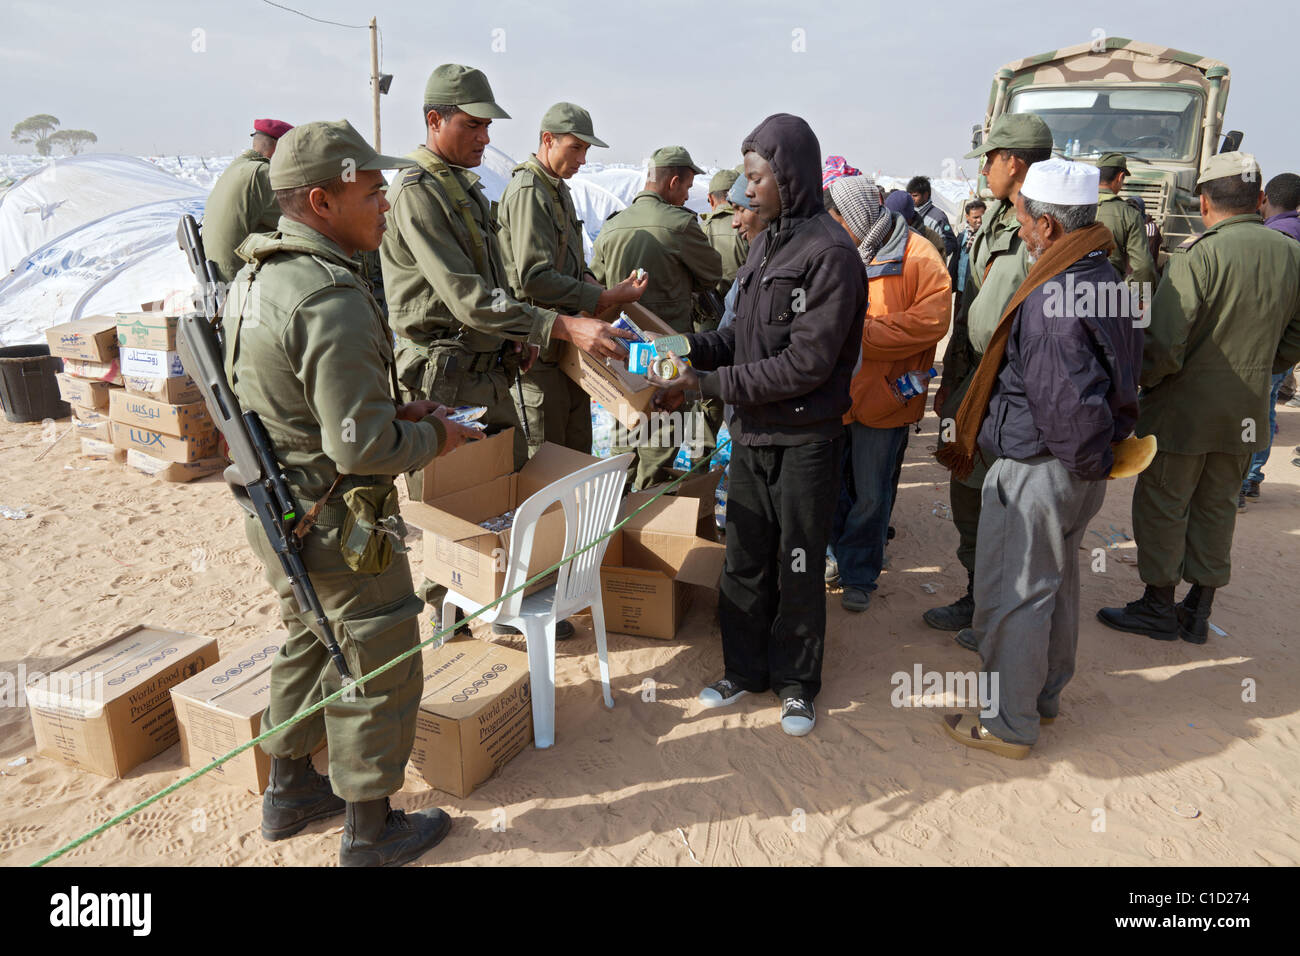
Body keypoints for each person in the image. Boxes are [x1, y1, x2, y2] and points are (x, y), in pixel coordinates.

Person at [224, 119, 484, 866]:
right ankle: (372, 829)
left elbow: (302, 400)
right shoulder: (328, 297)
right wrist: (437, 437)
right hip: (339, 519)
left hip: (284, 511)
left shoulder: (260, 276)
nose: (386, 206)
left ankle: (290, 790)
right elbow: (360, 447)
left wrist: (398, 410)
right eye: (372, 192)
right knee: (379, 652)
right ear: (321, 200)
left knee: (311, 639)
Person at [380, 64, 632, 636]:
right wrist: (559, 327)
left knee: (498, 496)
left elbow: (497, 285)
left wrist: (516, 335)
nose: (485, 138)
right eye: (473, 125)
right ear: (433, 120)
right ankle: (450, 616)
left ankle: (498, 602)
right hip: (443, 378)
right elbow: (468, 299)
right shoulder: (419, 193)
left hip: (486, 366)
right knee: (450, 504)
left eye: (488, 126)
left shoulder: (463, 189)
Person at [650, 113, 867, 738]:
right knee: (744, 559)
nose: (746, 193)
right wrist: (689, 348)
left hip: (804, 441)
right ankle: (743, 670)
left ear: (790, 176)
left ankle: (797, 684)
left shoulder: (830, 254)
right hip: (751, 437)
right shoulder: (767, 243)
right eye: (744, 178)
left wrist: (709, 386)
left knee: (796, 562)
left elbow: (806, 364)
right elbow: (740, 336)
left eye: (756, 177)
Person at [939, 158, 1141, 759]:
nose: (1020, 228)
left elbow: (1065, 403)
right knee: (1055, 583)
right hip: (1080, 464)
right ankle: (1043, 698)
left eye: (1025, 219)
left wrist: (1077, 463)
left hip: (1041, 466)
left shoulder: (1051, 296)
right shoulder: (1105, 274)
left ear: (1049, 226)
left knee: (1015, 594)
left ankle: (1007, 725)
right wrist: (1093, 464)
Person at [1098, 153, 1300, 644]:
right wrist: (1259, 370)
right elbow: (1294, 340)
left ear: (1204, 202)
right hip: (1247, 411)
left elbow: (1165, 344)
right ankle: (1198, 610)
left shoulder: (1198, 254)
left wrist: (1141, 383)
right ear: (1257, 200)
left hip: (1184, 410)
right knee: (1218, 505)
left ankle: (1157, 606)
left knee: (1165, 503)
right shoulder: (1291, 253)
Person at [927, 113, 1052, 631]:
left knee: (1003, 502)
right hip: (974, 382)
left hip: (1006, 388)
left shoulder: (1039, 224)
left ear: (1014, 162)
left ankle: (997, 613)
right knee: (970, 489)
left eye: (988, 158)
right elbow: (972, 309)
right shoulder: (1001, 216)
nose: (982, 168)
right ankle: (979, 595)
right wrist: (952, 383)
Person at [825, 175, 951, 612]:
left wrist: (860, 335)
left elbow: (932, 322)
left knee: (872, 493)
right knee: (833, 487)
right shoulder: (842, 254)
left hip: (886, 397)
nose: (835, 226)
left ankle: (860, 574)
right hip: (839, 396)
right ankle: (838, 557)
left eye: (839, 218)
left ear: (857, 215)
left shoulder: (919, 256)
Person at [496, 102, 647, 458]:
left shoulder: (558, 190)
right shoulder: (529, 190)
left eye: (586, 150)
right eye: (575, 147)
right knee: (548, 459)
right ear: (548, 140)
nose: (582, 159)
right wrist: (601, 295)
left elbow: (569, 262)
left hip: (568, 346)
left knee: (577, 451)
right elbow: (533, 278)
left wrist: (598, 285)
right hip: (539, 348)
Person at [590, 145, 723, 489]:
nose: (689, 194)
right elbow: (712, 274)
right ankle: (641, 524)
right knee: (661, 440)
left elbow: (595, 287)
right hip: (667, 351)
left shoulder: (612, 227)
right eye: (688, 186)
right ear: (674, 182)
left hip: (619, 351)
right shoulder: (679, 224)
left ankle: (614, 516)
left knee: (625, 433)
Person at [1241, 173, 1300, 500]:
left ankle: (1245, 478)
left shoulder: (1276, 239)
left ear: (1264, 199)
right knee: (1265, 411)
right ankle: (1252, 476)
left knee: (1252, 412)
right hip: (1281, 347)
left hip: (1263, 345)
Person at [203, 118, 292, 284]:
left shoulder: (238, 167)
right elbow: (301, 221)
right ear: (278, 148)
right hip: (239, 284)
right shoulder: (263, 173)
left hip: (221, 276)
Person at [1094, 152, 1158, 293]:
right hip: (1108, 293)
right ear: (1120, 177)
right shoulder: (1129, 214)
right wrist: (1140, 298)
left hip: (1068, 291)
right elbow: (1143, 267)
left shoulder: (1075, 205)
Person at [700, 167, 750, 300]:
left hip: (711, 315)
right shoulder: (750, 225)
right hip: (746, 308)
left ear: (711, 199)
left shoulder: (699, 228)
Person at [907, 174, 959, 258]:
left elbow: (950, 243)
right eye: (909, 195)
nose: (911, 198)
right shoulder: (909, 213)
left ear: (926, 195)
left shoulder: (938, 217)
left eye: (915, 196)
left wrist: (933, 256)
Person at [885, 190, 946, 258]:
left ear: (909, 219)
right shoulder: (882, 233)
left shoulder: (932, 239)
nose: (893, 225)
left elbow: (938, 266)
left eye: (895, 220)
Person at [949, 199, 986, 295]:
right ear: (967, 217)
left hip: (974, 288)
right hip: (959, 286)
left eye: (982, 216)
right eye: (976, 217)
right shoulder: (962, 234)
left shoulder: (986, 237)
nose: (980, 220)